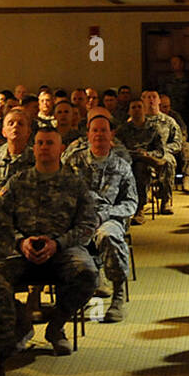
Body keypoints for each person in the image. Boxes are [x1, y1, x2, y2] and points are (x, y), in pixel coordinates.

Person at [2, 127, 99, 356]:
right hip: (23, 251)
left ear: (61, 149)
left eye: (49, 143)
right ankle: (21, 323)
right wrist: (20, 242)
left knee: (88, 276)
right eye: (40, 143)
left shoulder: (74, 183)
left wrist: (58, 243)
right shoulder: (18, 182)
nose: (44, 148)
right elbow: (1, 222)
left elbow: (87, 224)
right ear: (33, 149)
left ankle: (56, 328)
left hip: (63, 250)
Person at [64, 114, 136, 323]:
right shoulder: (73, 162)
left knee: (108, 235)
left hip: (109, 217)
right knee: (66, 239)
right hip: (79, 219)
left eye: (103, 130)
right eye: (94, 130)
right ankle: (79, 291)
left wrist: (105, 214)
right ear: (88, 134)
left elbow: (131, 203)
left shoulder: (121, 165)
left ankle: (117, 295)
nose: (99, 135)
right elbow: (64, 196)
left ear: (111, 134)